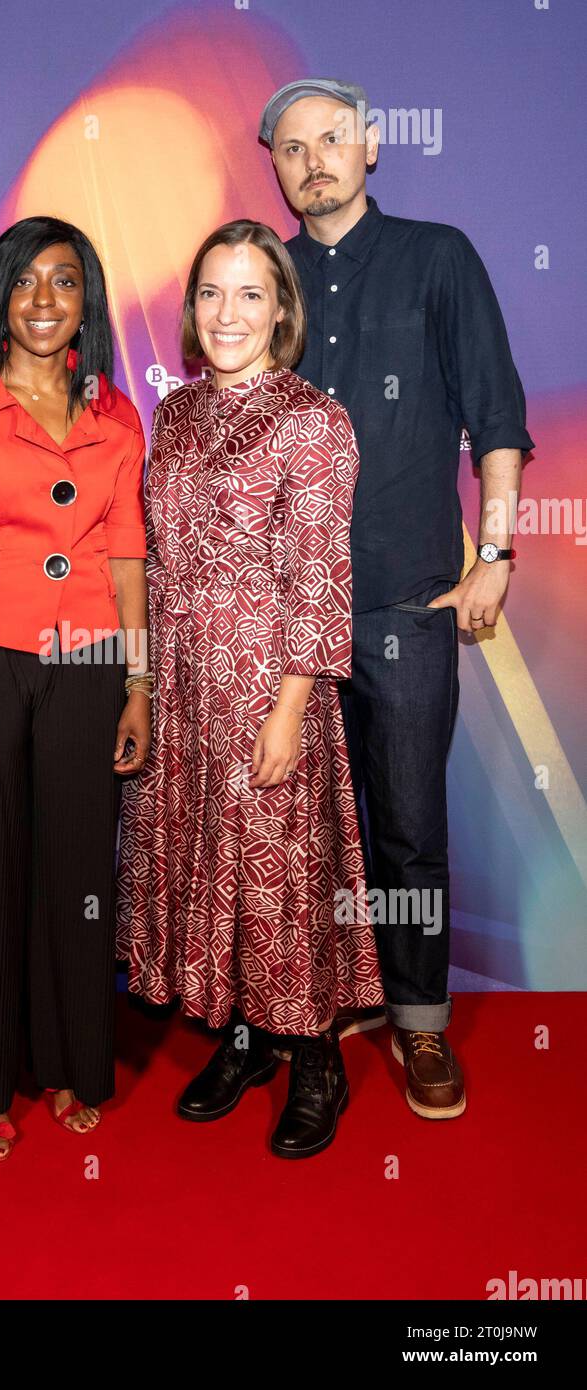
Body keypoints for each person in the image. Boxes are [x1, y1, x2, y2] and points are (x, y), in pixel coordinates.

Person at [259, 78, 535, 1118]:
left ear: (372, 147)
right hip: (283, 619)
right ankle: (327, 1003)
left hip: (408, 608)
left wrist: (497, 550)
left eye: (333, 137)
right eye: (292, 145)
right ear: (274, 165)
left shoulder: (439, 257)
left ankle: (420, 1023)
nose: (314, 158)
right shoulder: (263, 277)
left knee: (409, 826)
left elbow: (496, 416)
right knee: (302, 831)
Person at [116, 221, 383, 1159]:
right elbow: (155, 555)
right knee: (207, 868)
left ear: (282, 308)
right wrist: (146, 677)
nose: (227, 314)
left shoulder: (313, 419)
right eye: (210, 294)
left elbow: (320, 574)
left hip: (270, 685)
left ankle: (314, 1060)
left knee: (277, 882)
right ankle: (243, 1040)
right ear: (191, 309)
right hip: (186, 683)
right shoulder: (178, 412)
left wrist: (291, 703)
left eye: (249, 294)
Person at [0, 216, 149, 1161]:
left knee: (76, 872)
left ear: (86, 296)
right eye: (25, 283)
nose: (44, 301)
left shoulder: (117, 414)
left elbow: (128, 553)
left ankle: (66, 1063)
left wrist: (138, 681)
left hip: (90, 661)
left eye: (63, 281)